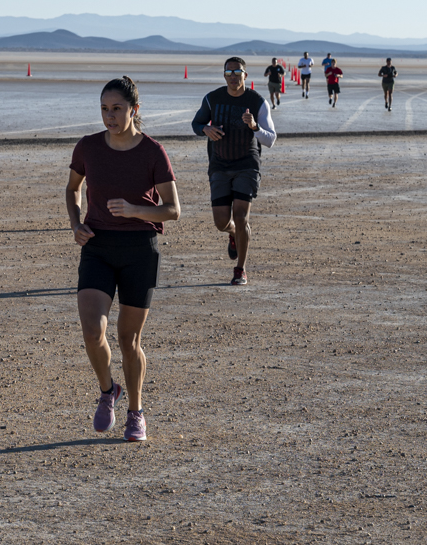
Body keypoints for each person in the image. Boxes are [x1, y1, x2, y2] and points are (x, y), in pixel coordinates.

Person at [66, 76, 180, 442]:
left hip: (139, 250)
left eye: (117, 109)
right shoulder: (87, 147)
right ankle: (107, 391)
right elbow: (72, 189)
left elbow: (173, 210)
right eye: (104, 109)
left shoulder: (152, 152)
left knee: (128, 340)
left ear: (134, 109)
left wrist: (134, 210)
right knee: (92, 330)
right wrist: (76, 223)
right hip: (98, 247)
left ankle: (136, 412)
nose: (109, 116)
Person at [191, 57, 277, 286]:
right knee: (221, 221)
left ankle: (240, 269)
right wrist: (206, 129)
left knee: (241, 217)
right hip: (219, 164)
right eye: (229, 73)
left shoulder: (257, 101)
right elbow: (196, 124)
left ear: (245, 76)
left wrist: (254, 127)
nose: (233, 77)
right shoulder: (212, 99)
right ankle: (232, 234)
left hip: (247, 164)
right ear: (224, 75)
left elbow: (271, 139)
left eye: (238, 72)